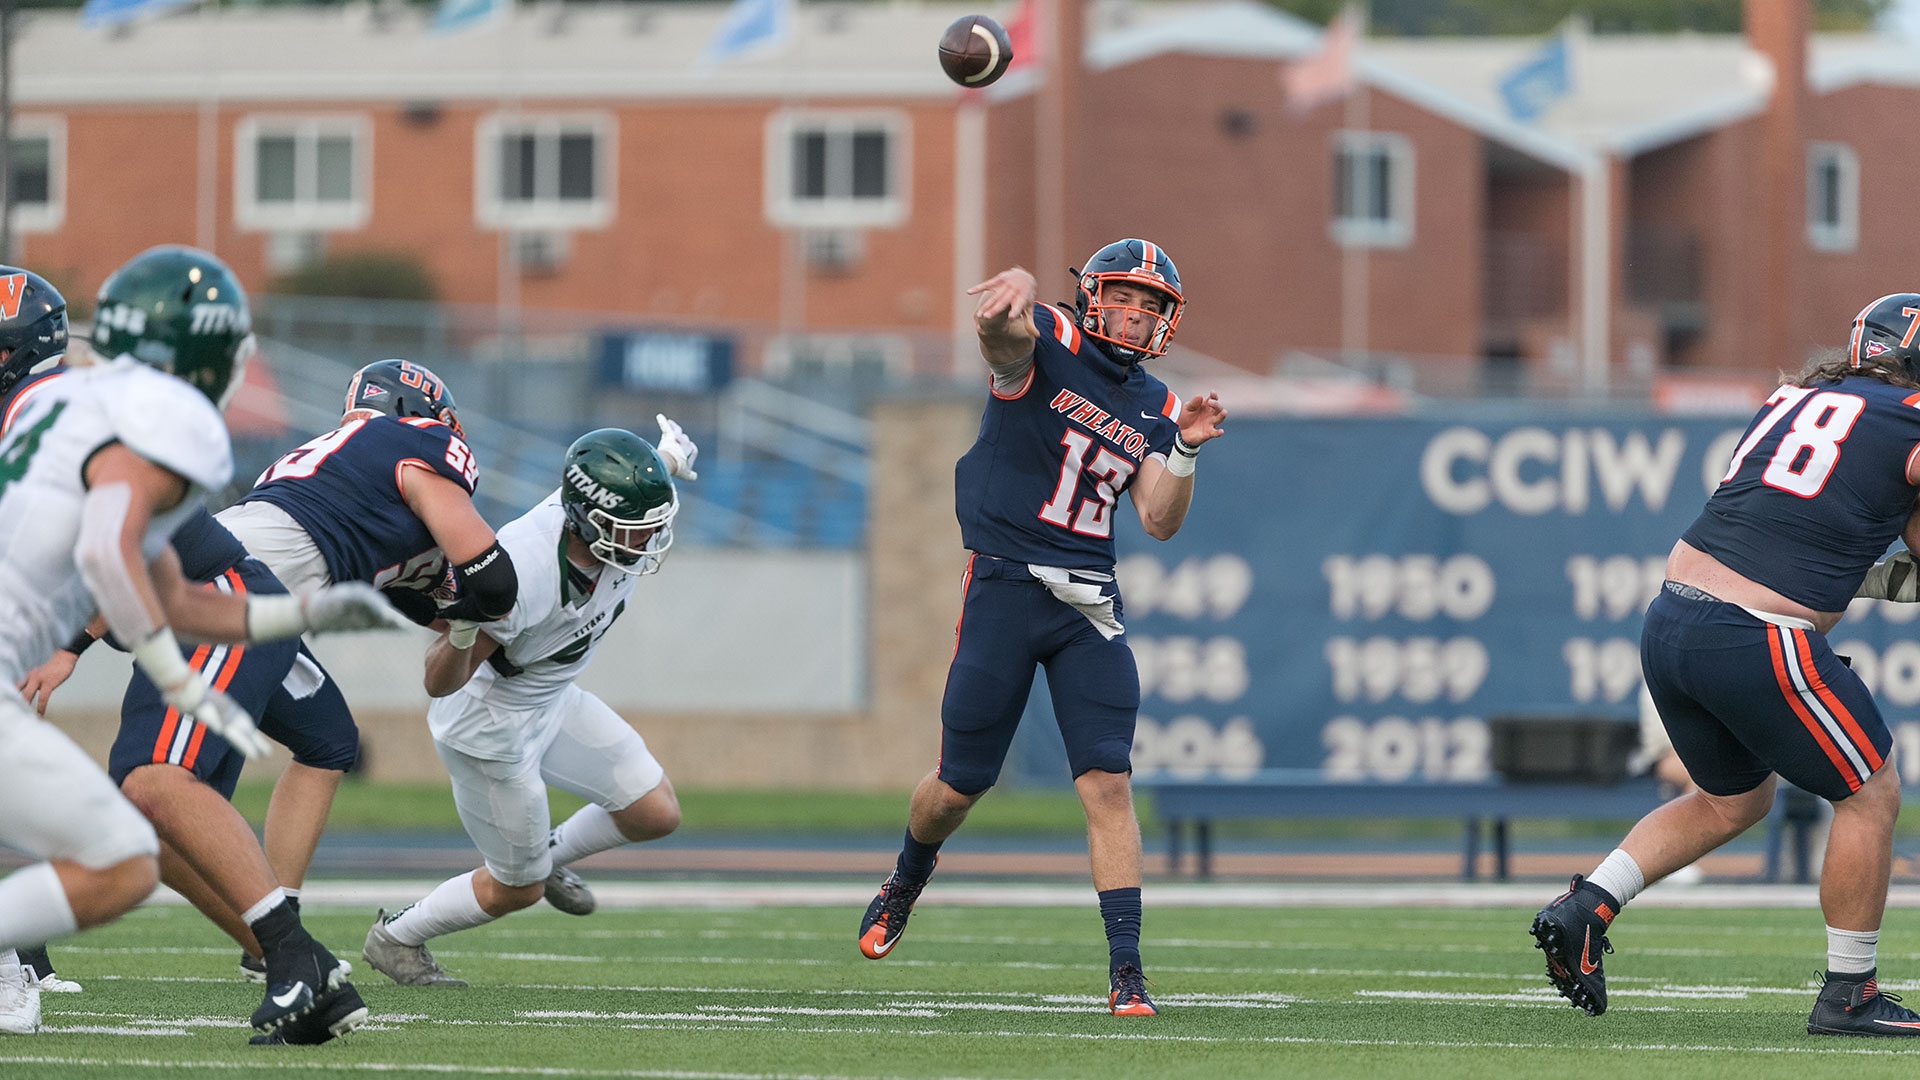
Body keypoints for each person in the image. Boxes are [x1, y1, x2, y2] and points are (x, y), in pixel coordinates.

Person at [0, 256, 407, 1038]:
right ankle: (302, 968)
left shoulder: (54, 405)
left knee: (155, 786)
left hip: (212, 596)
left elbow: (120, 550)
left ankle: (293, 964)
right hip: (208, 600)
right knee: (141, 813)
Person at [1531, 293, 1920, 1037]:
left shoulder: (1798, 395)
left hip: (1672, 616)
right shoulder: (1909, 416)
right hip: (1757, 632)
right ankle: (1850, 994)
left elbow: (1805, 510)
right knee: (1870, 792)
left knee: (1733, 802)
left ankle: (1588, 905)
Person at [855, 239, 1226, 1017]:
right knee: (959, 785)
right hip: (1006, 588)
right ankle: (907, 875)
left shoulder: (1157, 402)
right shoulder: (1050, 336)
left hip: (1088, 606)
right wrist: (1011, 298)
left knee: (1107, 781)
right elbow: (1004, 344)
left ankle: (1127, 971)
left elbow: (1158, 519)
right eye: (1127, 297)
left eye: (1153, 306)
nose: (1138, 314)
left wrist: (1186, 448)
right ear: (1094, 296)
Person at [360, 424, 696, 987]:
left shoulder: (592, 513)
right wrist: (465, 630)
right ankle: (396, 938)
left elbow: (613, 479)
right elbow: (438, 682)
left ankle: (548, 853)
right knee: (518, 888)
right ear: (591, 522)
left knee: (653, 811)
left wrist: (660, 460)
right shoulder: (525, 575)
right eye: (636, 530)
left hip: (549, 698)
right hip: (491, 729)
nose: (647, 541)